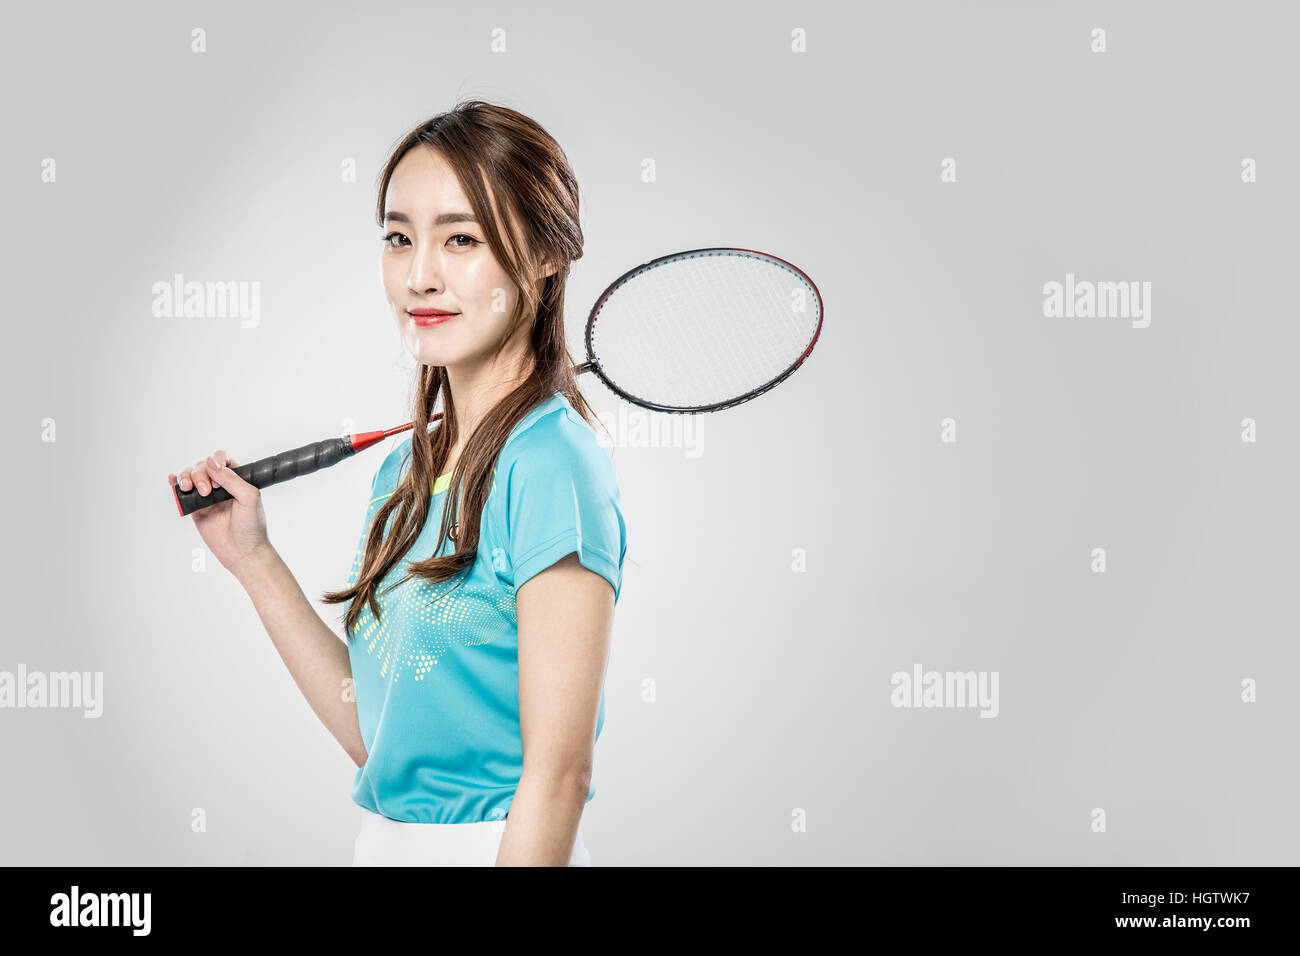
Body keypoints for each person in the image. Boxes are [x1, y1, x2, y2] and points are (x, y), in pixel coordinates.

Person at [167, 100, 626, 866]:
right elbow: (379, 736)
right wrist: (252, 560)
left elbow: (558, 776)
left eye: (461, 238)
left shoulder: (552, 464)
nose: (419, 275)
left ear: (545, 256)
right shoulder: (402, 472)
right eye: (399, 238)